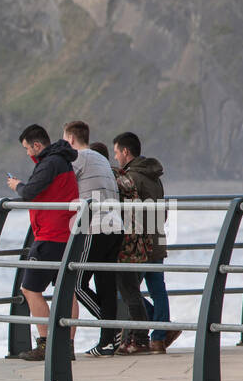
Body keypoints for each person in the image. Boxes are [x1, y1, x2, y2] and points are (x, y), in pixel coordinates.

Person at [6, 124, 79, 361]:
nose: (28, 153)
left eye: (28, 148)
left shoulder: (49, 163)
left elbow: (29, 193)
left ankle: (46, 344)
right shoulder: (63, 160)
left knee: (30, 289)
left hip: (50, 235)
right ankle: (67, 346)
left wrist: (17, 185)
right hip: (67, 234)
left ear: (37, 145)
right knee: (66, 292)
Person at [62, 121, 123, 357]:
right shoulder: (100, 159)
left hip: (94, 227)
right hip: (115, 227)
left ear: (70, 140)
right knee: (105, 285)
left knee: (76, 284)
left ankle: (112, 326)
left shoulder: (78, 157)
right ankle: (107, 342)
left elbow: (61, 182)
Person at [112, 132, 172, 355]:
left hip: (139, 243)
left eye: (117, 152)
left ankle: (154, 333)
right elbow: (162, 210)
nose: (116, 157)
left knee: (127, 292)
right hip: (157, 238)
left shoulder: (131, 178)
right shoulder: (154, 176)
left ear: (126, 152)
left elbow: (129, 214)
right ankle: (160, 336)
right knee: (157, 289)